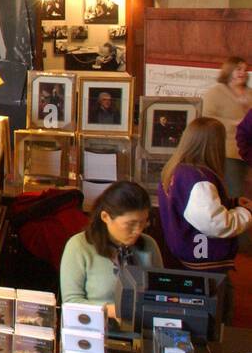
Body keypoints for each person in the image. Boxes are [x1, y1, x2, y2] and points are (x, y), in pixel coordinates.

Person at [158, 117, 251, 276]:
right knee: (222, 298)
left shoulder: (177, 170)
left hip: (187, 258)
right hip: (204, 265)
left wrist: (232, 203)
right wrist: (246, 213)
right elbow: (217, 224)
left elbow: (191, 210)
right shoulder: (197, 179)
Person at [60, 181, 160, 316]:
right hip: (95, 328)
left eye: (143, 222)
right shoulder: (79, 246)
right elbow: (71, 302)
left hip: (141, 330)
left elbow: (160, 294)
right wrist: (114, 311)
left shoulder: (149, 245)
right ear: (105, 217)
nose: (137, 230)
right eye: (130, 224)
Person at [201, 56, 252, 196]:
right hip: (228, 152)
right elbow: (207, 119)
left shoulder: (250, 93)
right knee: (235, 191)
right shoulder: (215, 93)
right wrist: (235, 123)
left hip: (249, 151)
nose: (242, 72)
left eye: (245, 69)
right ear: (228, 70)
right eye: (238, 69)